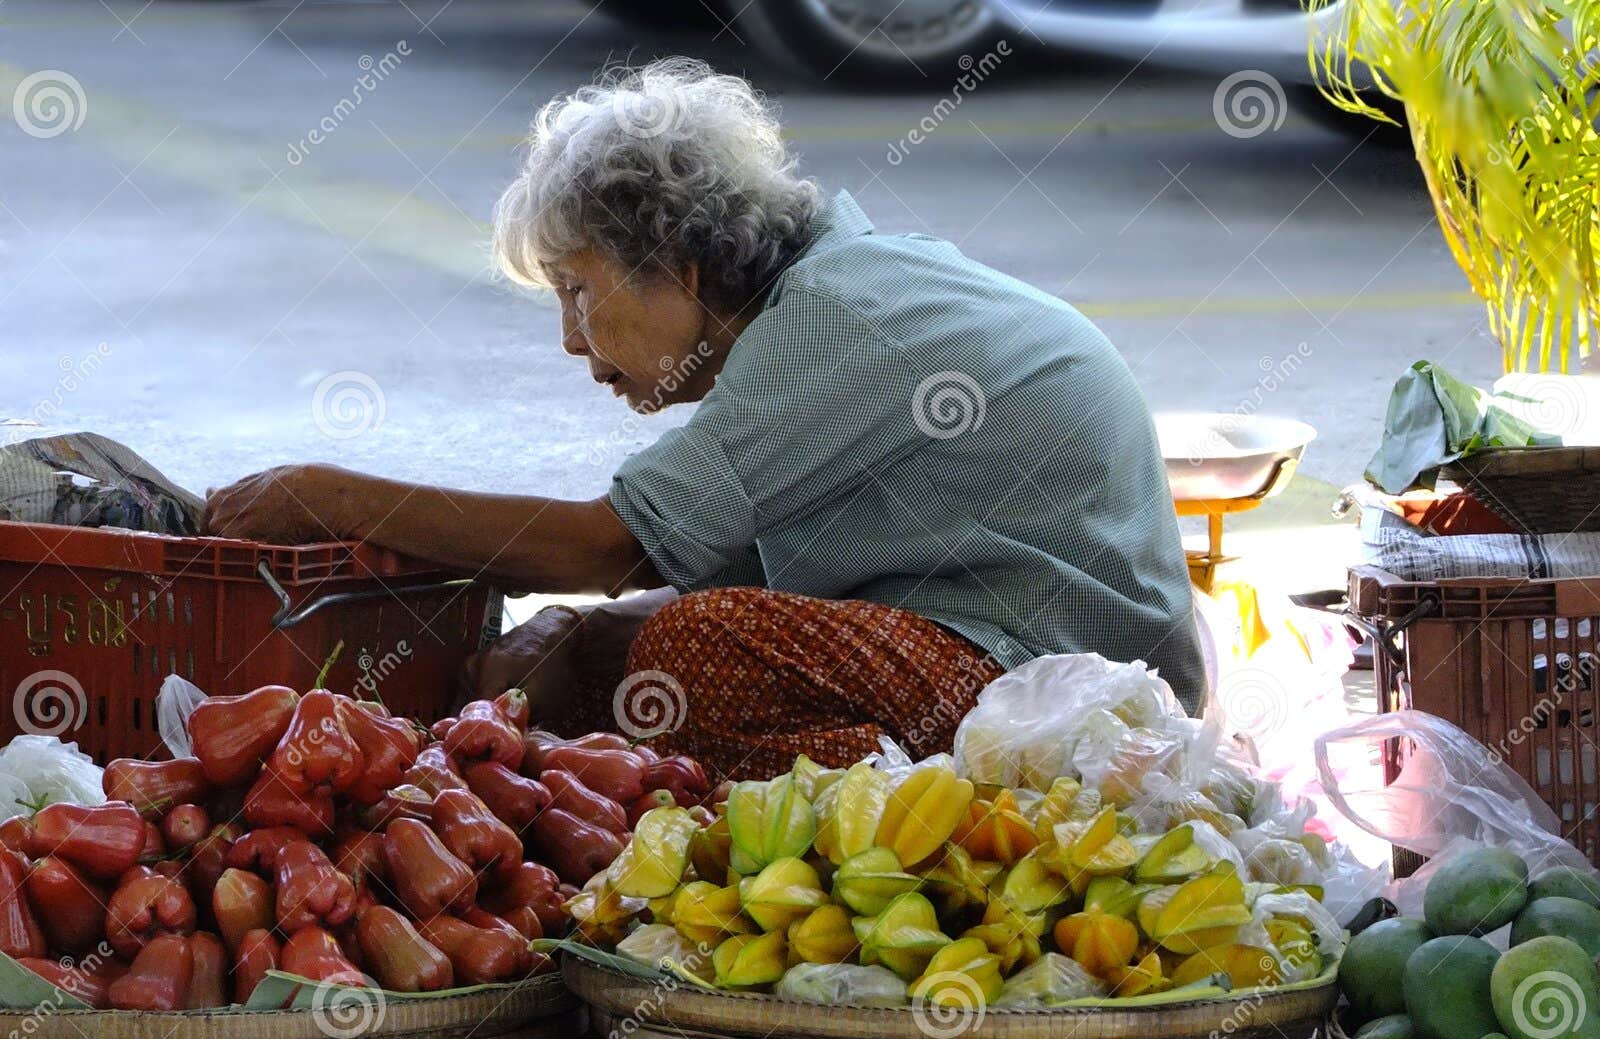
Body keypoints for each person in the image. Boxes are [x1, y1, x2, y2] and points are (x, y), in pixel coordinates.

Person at [205, 59, 1204, 781]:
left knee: (691, 651)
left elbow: (606, 547)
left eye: (579, 291)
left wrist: (330, 497)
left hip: (1073, 691)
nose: (570, 340)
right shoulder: (828, 293)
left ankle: (920, 814)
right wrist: (573, 628)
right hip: (999, 641)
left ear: (681, 269)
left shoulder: (835, 318)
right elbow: (696, 561)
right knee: (605, 658)